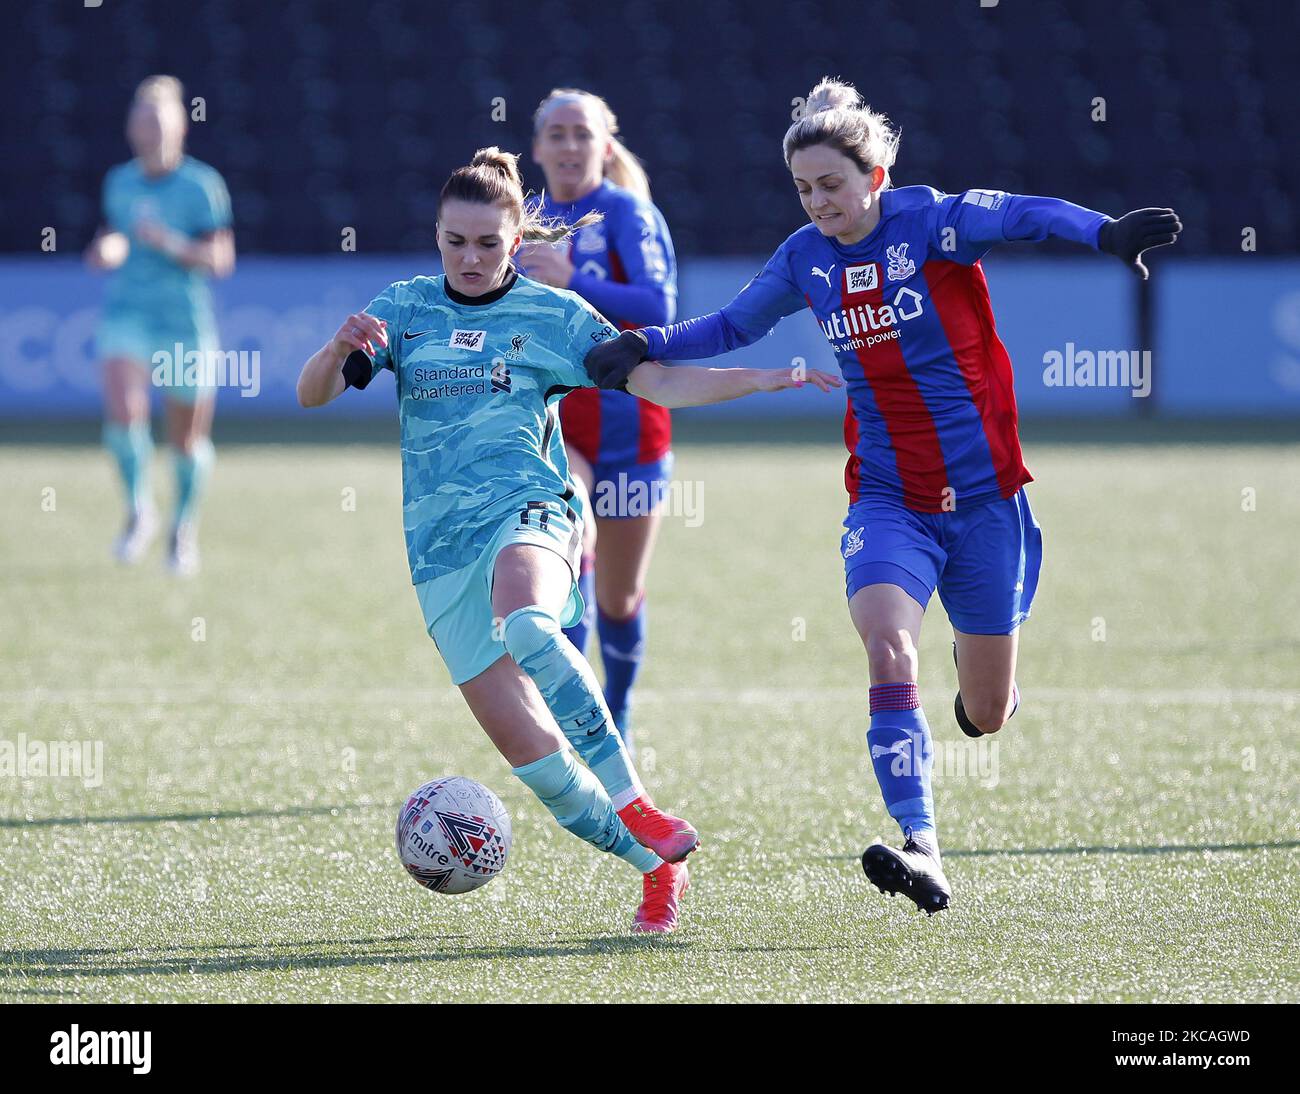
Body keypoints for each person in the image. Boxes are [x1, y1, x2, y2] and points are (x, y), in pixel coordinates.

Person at [584, 78, 1181, 915]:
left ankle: (985, 694)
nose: (818, 202)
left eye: (832, 183)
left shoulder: (932, 221)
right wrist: (645, 341)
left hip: (984, 505)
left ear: (878, 173)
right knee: (887, 646)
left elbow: (1024, 216)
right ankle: (922, 846)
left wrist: (1104, 233)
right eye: (803, 188)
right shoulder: (805, 257)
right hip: (889, 503)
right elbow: (731, 324)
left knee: (988, 712)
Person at [295, 147, 839, 933]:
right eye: (456, 242)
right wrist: (334, 347)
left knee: (529, 622)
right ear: (437, 236)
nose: (472, 258)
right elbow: (313, 396)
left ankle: (640, 805)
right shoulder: (407, 309)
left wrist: (762, 378)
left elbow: (656, 382)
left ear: (518, 241)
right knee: (546, 776)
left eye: (489, 243)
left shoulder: (553, 314)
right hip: (441, 557)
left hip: (534, 511)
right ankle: (653, 867)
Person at [514, 88, 677, 755]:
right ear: (537, 147)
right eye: (557, 133)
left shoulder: (627, 212)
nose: (570, 145)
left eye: (582, 133)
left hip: (632, 424)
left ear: (606, 145)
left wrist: (574, 277)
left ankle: (619, 705)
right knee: (570, 542)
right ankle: (578, 720)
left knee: (618, 596)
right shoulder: (521, 219)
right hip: (558, 421)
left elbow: (657, 302)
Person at [85, 75, 235, 575]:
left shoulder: (201, 186)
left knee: (185, 440)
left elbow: (220, 260)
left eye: (158, 121)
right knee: (124, 411)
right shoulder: (118, 182)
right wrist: (108, 249)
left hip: (183, 322)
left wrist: (169, 243)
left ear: (179, 127)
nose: (148, 131)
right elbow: (113, 237)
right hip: (128, 313)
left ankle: (181, 528)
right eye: (141, 120)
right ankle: (138, 510)